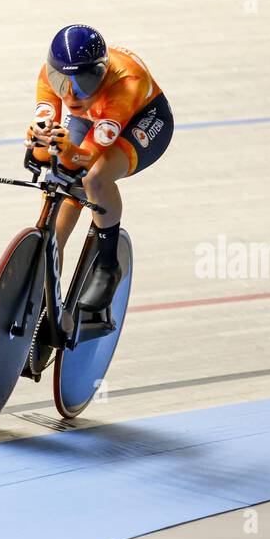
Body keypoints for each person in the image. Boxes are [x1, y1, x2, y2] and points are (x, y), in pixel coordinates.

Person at [27, 25, 172, 322]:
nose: (69, 94)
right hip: (92, 114)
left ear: (101, 73)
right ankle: (44, 297)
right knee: (60, 190)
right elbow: (44, 133)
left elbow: (87, 157)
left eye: (83, 82)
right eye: (61, 81)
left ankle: (108, 265)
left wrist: (63, 149)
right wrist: (39, 143)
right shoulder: (49, 78)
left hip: (142, 119)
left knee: (93, 178)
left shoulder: (125, 84)